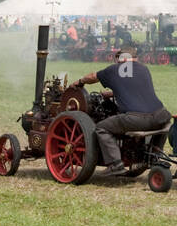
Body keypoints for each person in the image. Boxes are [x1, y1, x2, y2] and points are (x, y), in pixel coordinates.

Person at [72, 48, 171, 176]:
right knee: (161, 126)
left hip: (138, 119)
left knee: (101, 128)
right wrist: (114, 93)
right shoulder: (144, 69)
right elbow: (134, 87)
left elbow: (92, 76)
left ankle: (115, 164)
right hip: (161, 116)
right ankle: (154, 156)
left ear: (122, 59)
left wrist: (79, 82)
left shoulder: (114, 69)